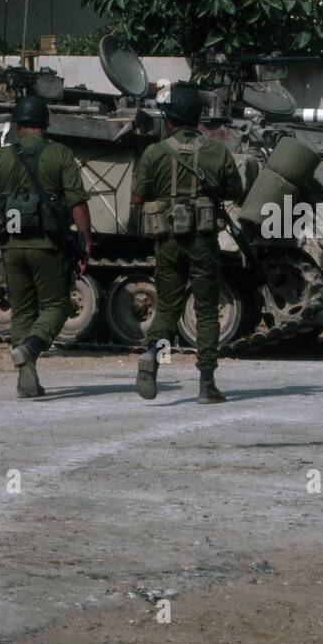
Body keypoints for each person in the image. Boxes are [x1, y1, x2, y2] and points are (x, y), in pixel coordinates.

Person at [0, 97, 92, 397]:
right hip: (47, 246)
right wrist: (85, 242)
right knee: (56, 307)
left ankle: (26, 377)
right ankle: (32, 346)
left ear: (17, 126)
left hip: (10, 246)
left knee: (21, 310)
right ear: (44, 126)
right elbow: (77, 203)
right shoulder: (60, 154)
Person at [132, 84, 243, 404]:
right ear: (198, 120)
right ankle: (206, 384)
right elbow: (236, 191)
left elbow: (138, 197)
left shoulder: (155, 153)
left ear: (169, 120)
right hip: (202, 242)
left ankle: (154, 355)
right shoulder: (216, 151)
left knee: (167, 305)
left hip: (167, 241)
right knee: (206, 310)